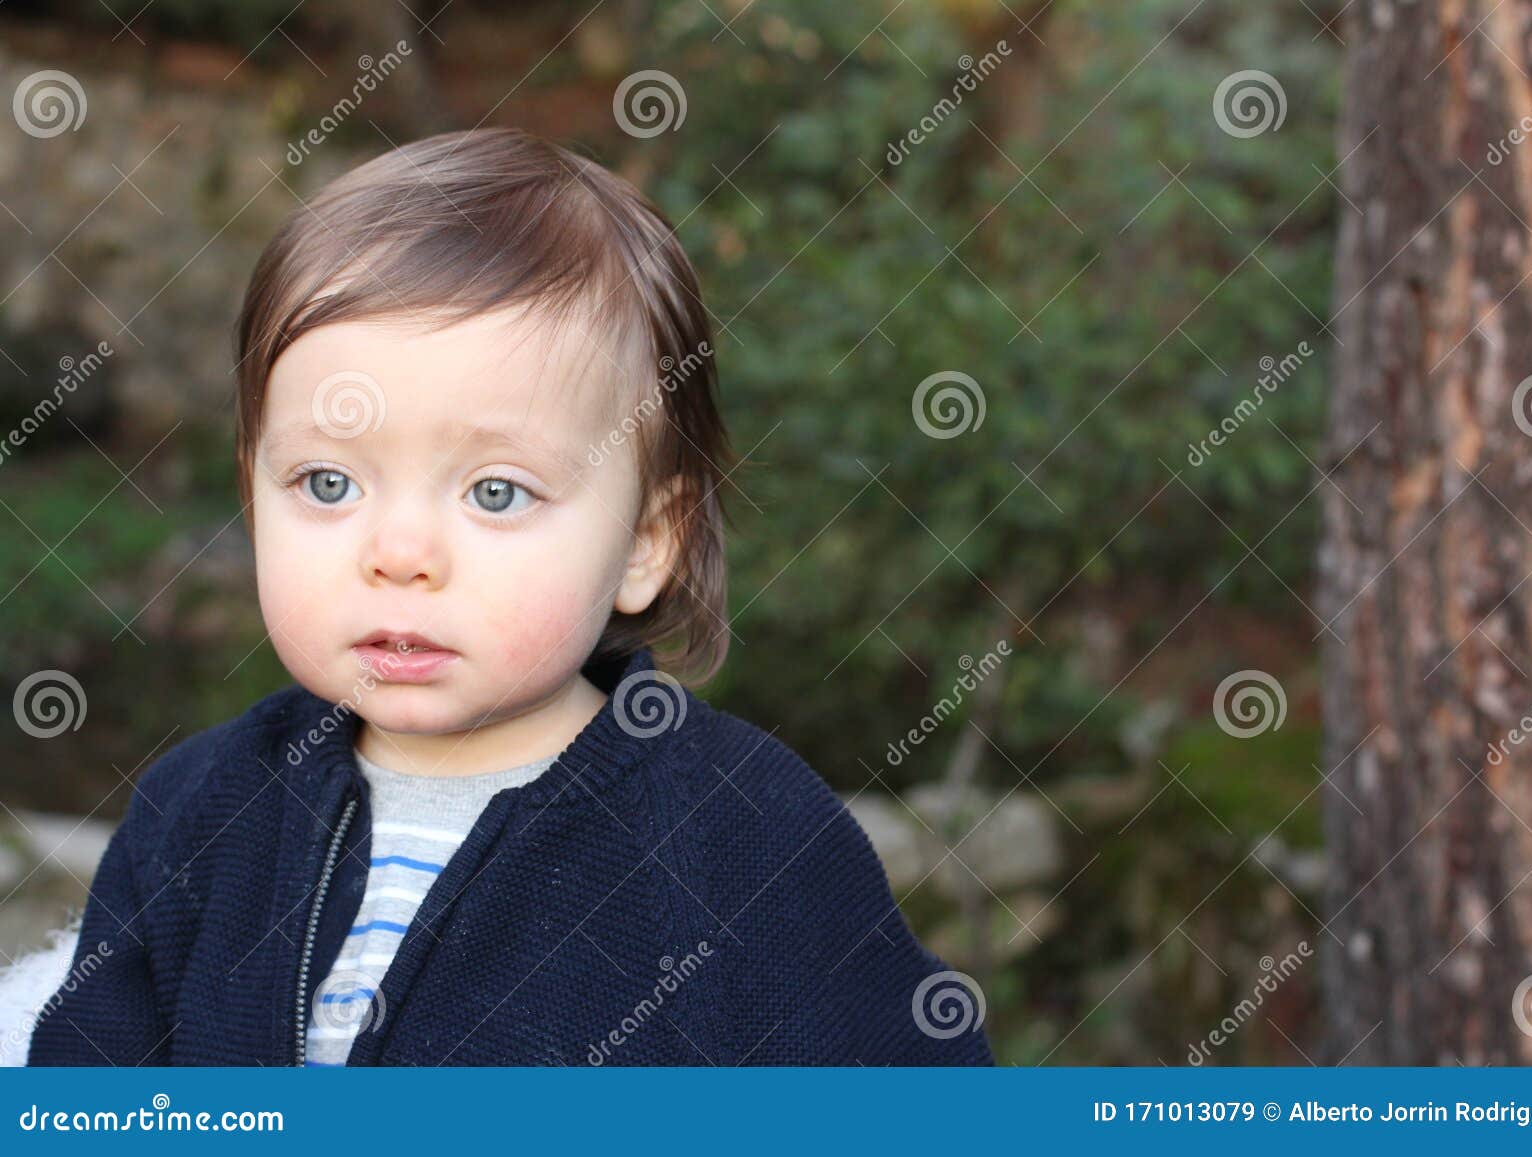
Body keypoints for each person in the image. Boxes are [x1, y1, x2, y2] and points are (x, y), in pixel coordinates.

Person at [26, 128, 993, 1066]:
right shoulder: (201, 813)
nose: (399, 554)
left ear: (645, 542)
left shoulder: (749, 843)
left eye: (497, 492)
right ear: (254, 494)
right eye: (328, 483)